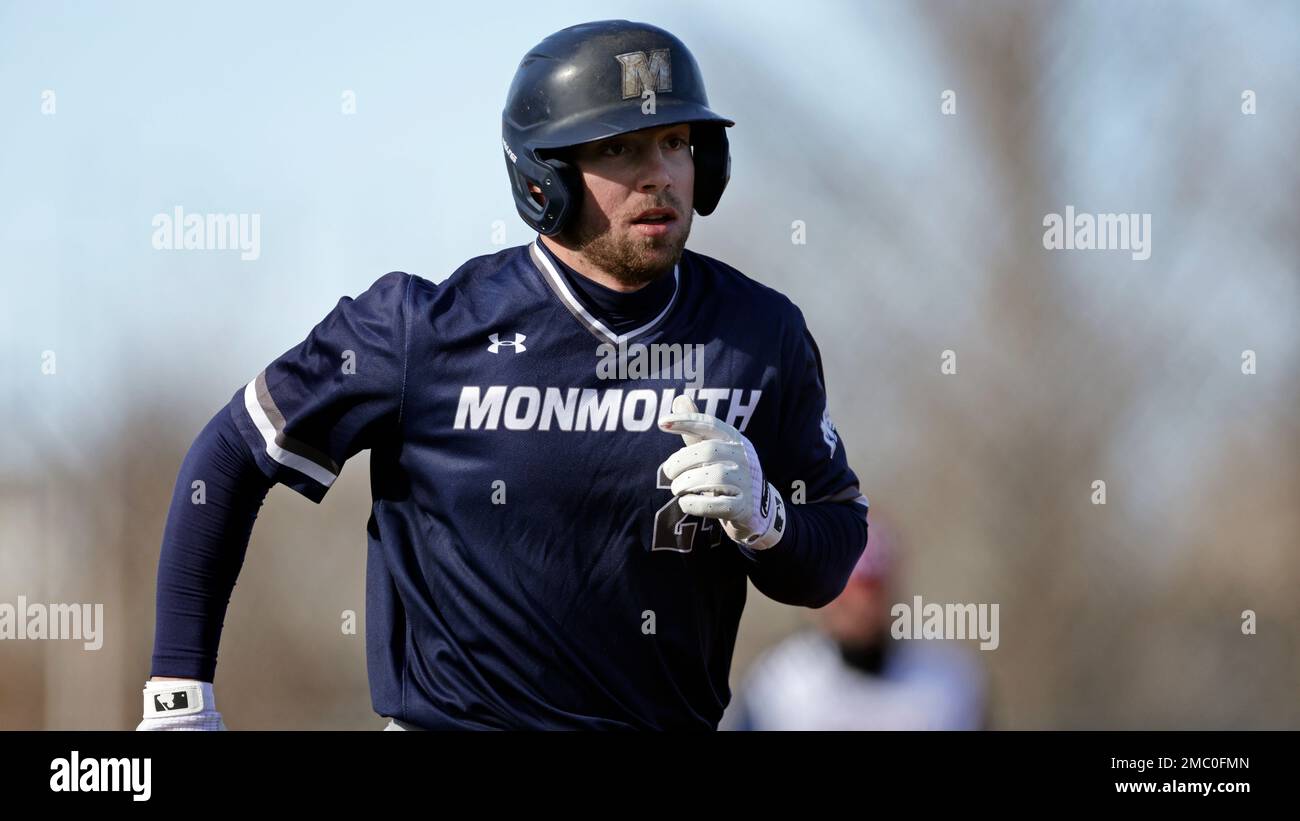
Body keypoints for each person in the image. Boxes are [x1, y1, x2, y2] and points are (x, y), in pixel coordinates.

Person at [138, 19, 869, 731]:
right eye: (620, 146)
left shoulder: (760, 335)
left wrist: (769, 519)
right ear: (542, 177)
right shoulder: (420, 329)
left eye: (676, 143)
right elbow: (231, 454)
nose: (660, 174)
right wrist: (178, 691)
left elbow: (830, 554)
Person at [724, 518, 988, 730]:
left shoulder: (947, 680)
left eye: (871, 589)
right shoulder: (781, 683)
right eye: (847, 595)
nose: (861, 608)